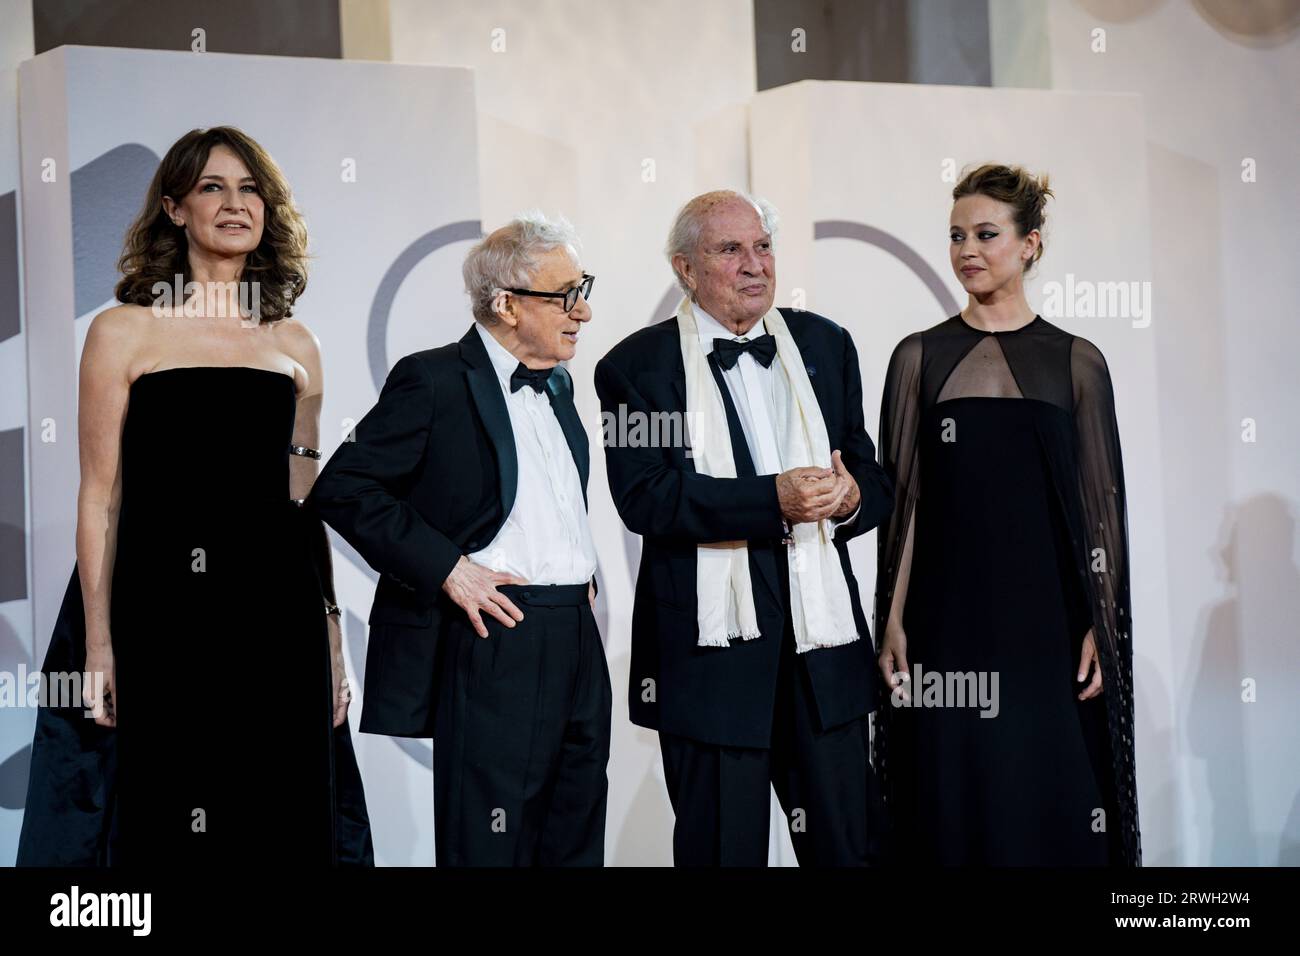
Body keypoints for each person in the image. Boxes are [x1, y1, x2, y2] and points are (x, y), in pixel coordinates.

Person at [16, 126, 372, 866]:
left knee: (275, 815)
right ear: (175, 209)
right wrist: (100, 645)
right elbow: (100, 498)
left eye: (250, 190)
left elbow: (303, 501)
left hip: (274, 616)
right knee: (165, 818)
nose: (235, 204)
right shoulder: (123, 331)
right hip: (160, 616)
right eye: (213, 187)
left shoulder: (295, 343)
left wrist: (331, 632)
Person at [595, 189, 893, 866]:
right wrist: (773, 501)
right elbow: (647, 498)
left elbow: (873, 479)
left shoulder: (826, 344)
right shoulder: (635, 368)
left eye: (763, 246)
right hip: (712, 665)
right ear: (685, 268)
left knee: (851, 852)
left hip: (825, 656)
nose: (754, 264)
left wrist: (849, 497)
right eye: (730, 250)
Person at [311, 212, 610, 866]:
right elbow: (343, 485)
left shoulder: (559, 384)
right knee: (491, 846)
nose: (583, 311)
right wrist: (449, 568)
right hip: (497, 637)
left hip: (578, 638)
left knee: (577, 835)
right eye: (565, 295)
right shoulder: (434, 379)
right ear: (505, 303)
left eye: (583, 288)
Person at [874, 163, 1140, 865]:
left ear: (1031, 244)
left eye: (986, 233)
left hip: (1047, 627)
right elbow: (905, 503)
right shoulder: (918, 358)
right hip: (945, 624)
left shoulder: (1077, 362)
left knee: (1047, 799)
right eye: (957, 235)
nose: (967, 249)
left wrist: (1100, 624)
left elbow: (1100, 507)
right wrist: (894, 619)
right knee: (950, 803)